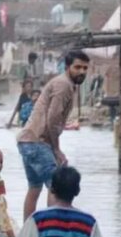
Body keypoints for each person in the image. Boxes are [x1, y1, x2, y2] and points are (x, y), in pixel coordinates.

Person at [16, 49, 89, 221]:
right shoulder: (63, 85)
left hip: (28, 141)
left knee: (34, 188)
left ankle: (28, 234)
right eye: (77, 67)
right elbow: (53, 118)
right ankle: (54, 229)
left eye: (85, 68)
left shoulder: (63, 84)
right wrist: (56, 149)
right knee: (55, 187)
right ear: (67, 67)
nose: (82, 72)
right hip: (37, 142)